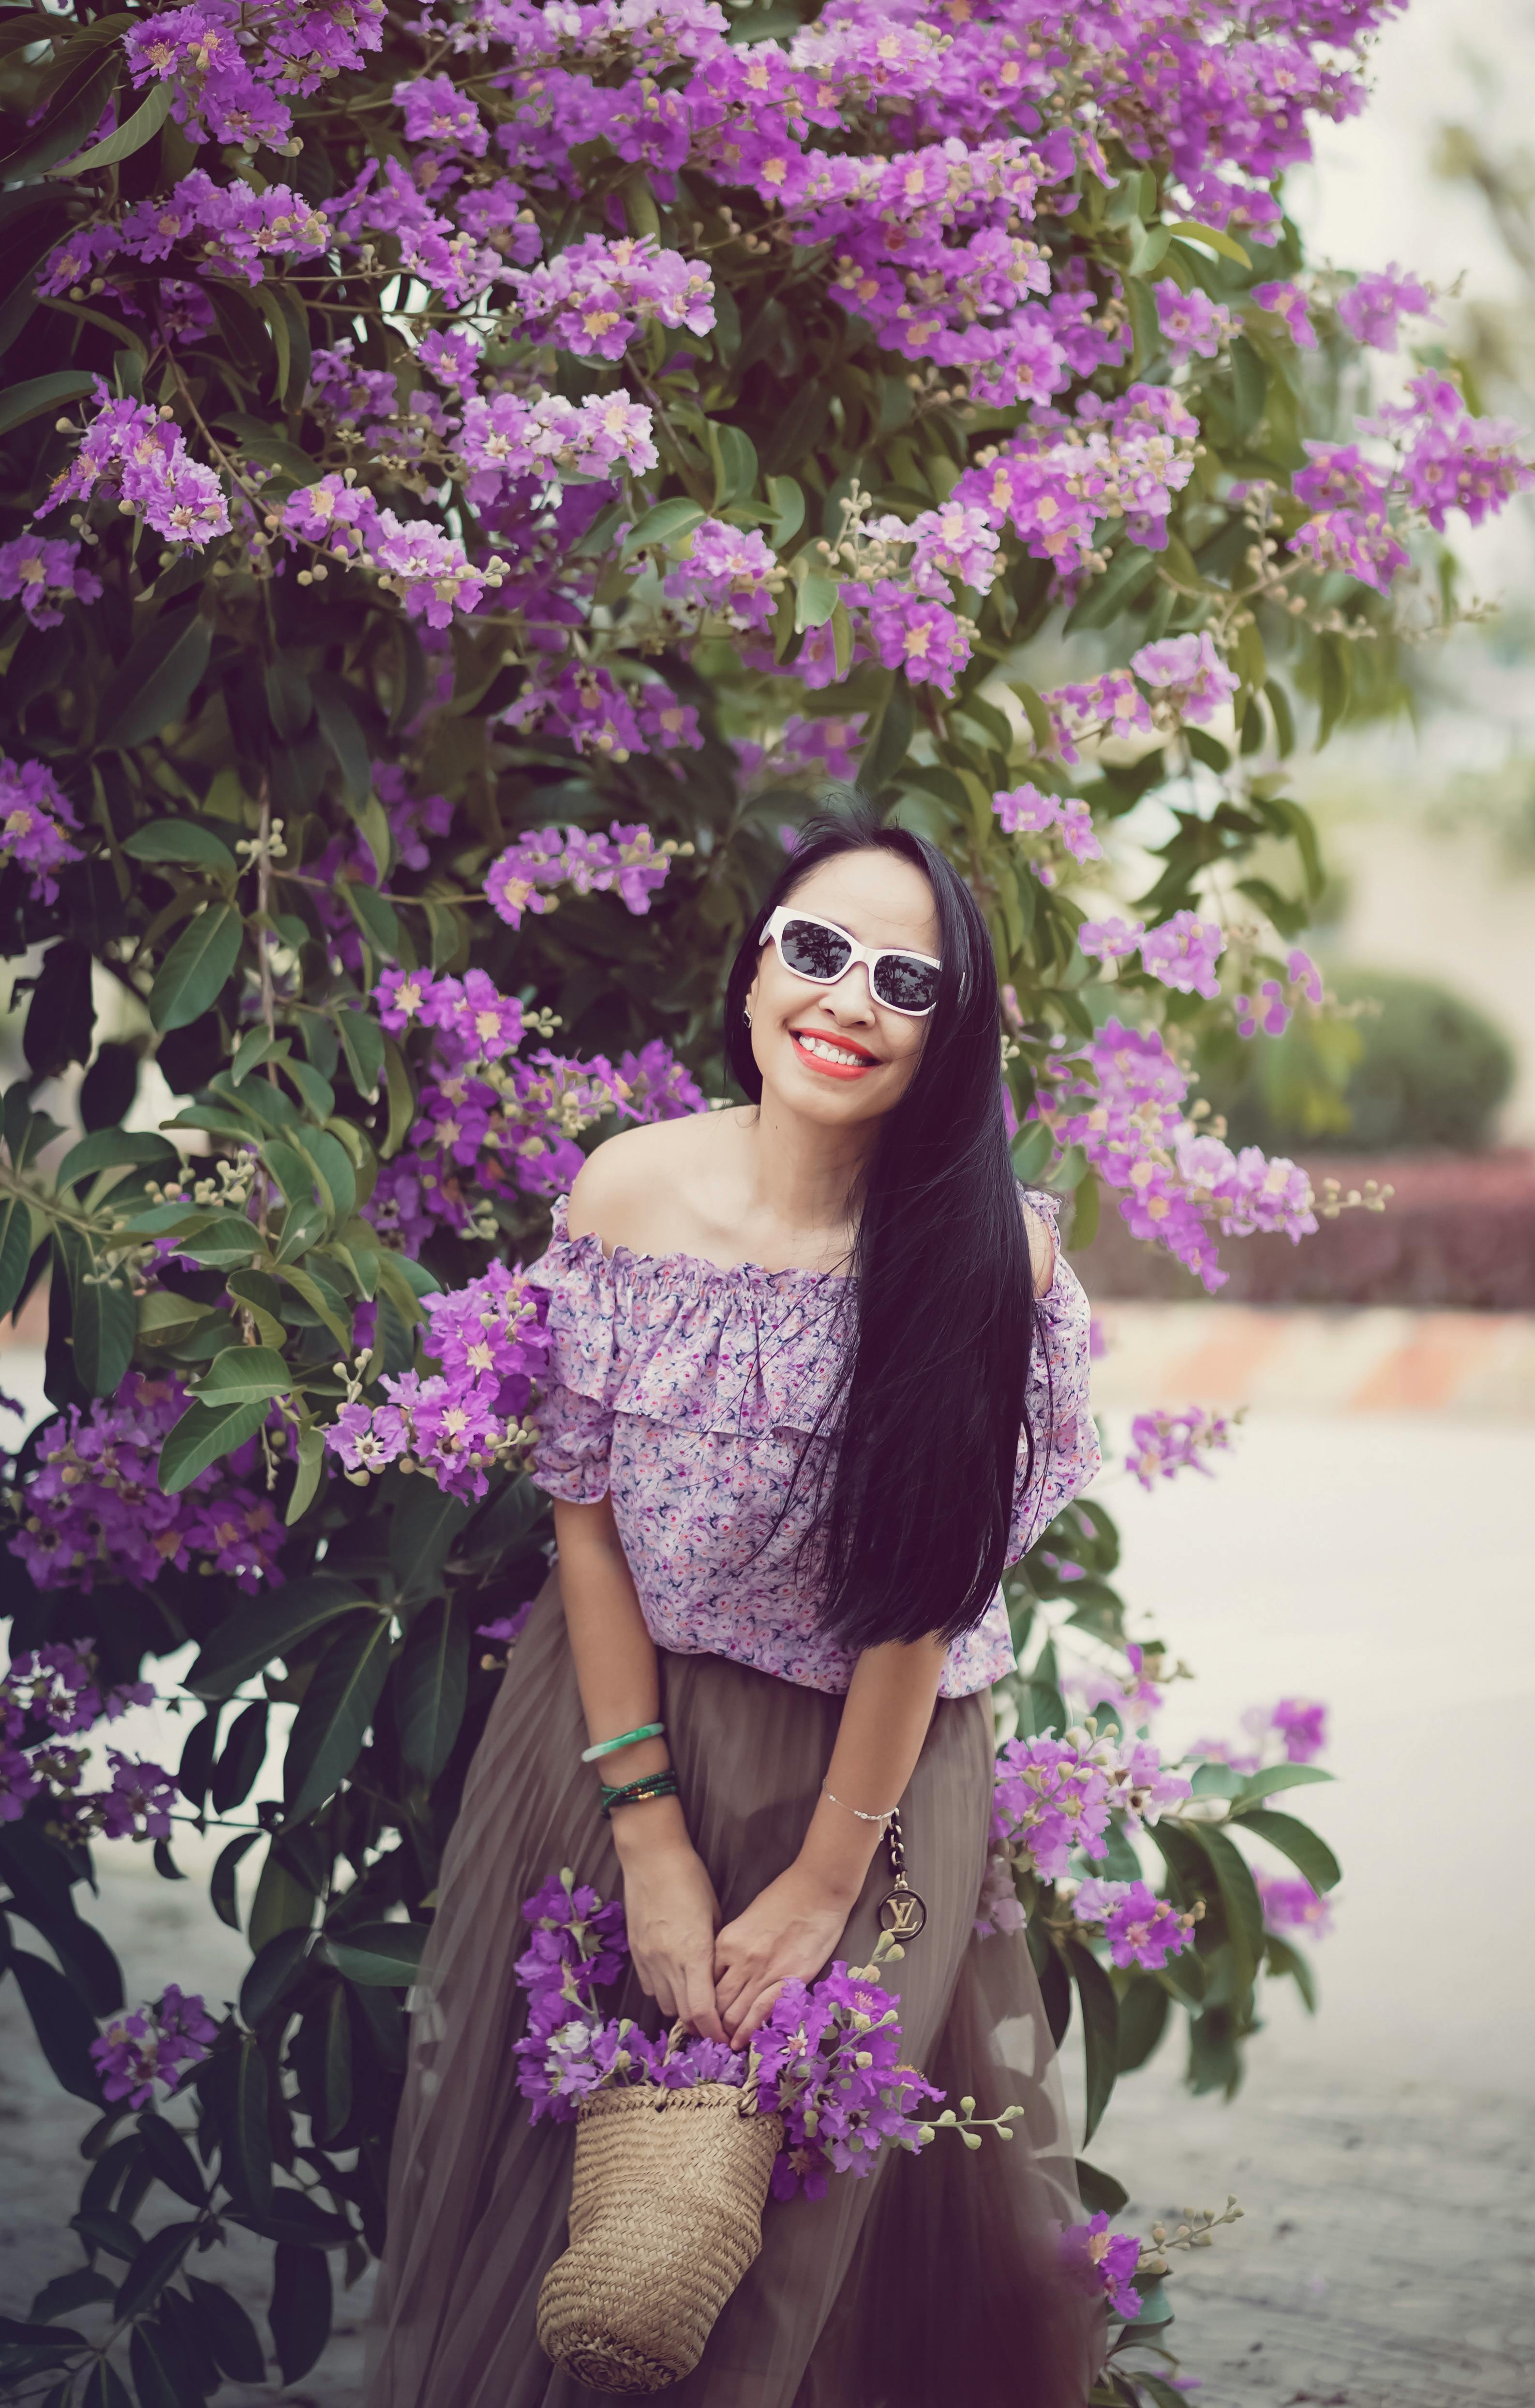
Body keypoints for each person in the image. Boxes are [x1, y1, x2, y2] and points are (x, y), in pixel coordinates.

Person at [365, 800, 1103, 2407]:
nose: (847, 1001)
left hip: (871, 1776)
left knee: (775, 2252)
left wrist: (820, 1887)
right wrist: (648, 1836)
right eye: (819, 951)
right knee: (600, 2226)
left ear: (952, 1029)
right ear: (757, 967)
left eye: (904, 981)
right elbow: (587, 1523)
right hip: (617, 1729)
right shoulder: (627, 1193)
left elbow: (922, 1607)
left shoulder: (997, 1259)